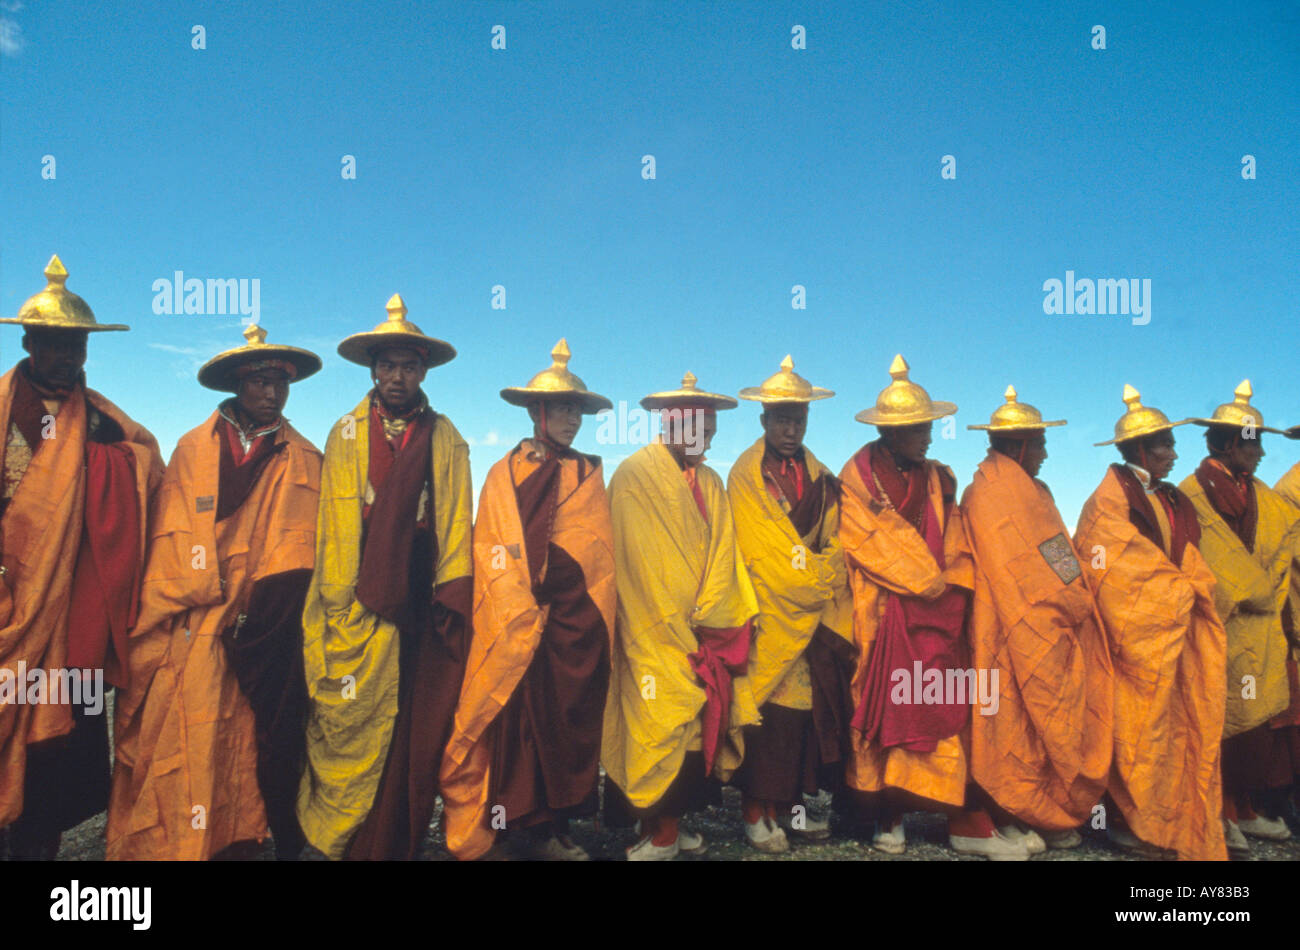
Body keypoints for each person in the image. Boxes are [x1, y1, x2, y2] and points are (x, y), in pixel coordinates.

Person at [106, 324, 323, 860]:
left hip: (258, 628)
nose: (271, 395)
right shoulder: (190, 449)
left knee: (244, 742)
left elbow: (300, 552)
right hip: (188, 618)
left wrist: (252, 612)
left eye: (281, 384)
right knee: (176, 735)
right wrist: (196, 589)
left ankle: (237, 838)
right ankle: (172, 843)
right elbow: (166, 534)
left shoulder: (306, 460)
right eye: (260, 384)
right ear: (237, 385)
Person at [297, 294, 472, 860]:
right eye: (388, 365)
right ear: (374, 369)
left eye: (409, 366)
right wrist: (340, 602)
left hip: (418, 597)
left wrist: (451, 601)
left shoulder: (445, 438)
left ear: (423, 371)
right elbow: (332, 530)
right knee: (347, 719)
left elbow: (454, 527)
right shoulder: (344, 433)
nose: (398, 377)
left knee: (407, 729)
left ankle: (391, 842)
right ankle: (335, 839)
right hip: (358, 598)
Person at [0, 256, 164, 859]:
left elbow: (151, 472)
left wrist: (113, 464)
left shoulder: (102, 421)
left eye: (77, 346)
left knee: (55, 747)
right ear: (28, 342)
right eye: (54, 344)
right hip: (5, 608)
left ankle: (38, 847)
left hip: (72, 619)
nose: (67, 357)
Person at [839, 355, 1025, 860]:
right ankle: (889, 816)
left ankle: (954, 813)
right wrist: (925, 582)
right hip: (884, 613)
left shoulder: (940, 479)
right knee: (887, 710)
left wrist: (952, 587)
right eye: (918, 428)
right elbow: (864, 540)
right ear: (892, 431)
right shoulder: (857, 477)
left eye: (928, 425)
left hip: (940, 616)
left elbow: (959, 540)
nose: (927, 435)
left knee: (943, 707)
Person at [440, 340, 615, 861]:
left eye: (577, 410)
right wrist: (520, 605)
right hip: (517, 619)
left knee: (566, 724)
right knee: (516, 727)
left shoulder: (588, 473)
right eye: (561, 409)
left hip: (573, 623)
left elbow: (597, 553)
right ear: (537, 412)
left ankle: (558, 826)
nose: (571, 420)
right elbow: (492, 546)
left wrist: (568, 604)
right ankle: (520, 829)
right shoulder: (505, 473)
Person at [601, 371, 759, 860]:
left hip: (700, 626)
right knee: (652, 721)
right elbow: (634, 559)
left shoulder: (710, 481)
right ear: (672, 426)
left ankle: (672, 825)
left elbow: (724, 553)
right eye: (699, 433)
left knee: (693, 725)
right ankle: (656, 826)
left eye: (711, 435)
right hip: (650, 627)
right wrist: (673, 622)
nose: (706, 444)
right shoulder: (633, 475)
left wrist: (710, 612)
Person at [1075, 384, 1227, 860]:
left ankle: (1171, 816)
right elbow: (1113, 569)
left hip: (1174, 628)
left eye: (1172, 444)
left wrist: (1189, 589)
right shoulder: (1106, 502)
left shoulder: (1170, 499)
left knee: (1176, 726)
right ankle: (1126, 820)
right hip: (1132, 633)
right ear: (1140, 448)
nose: (1173, 453)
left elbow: (1188, 559)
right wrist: (1178, 591)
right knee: (1135, 726)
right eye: (1164, 445)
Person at [961, 386, 1113, 853]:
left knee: (1048, 722)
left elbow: (1056, 549)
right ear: (1020, 445)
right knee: (1005, 724)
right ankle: (1005, 815)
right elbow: (1012, 570)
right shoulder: (986, 492)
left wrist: (1076, 594)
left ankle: (1045, 813)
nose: (1046, 453)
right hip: (1003, 627)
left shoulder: (1036, 490)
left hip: (1052, 622)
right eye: (1041, 444)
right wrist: (1061, 600)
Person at [727, 356, 855, 853]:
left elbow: (835, 541)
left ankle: (792, 812)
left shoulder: (819, 474)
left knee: (803, 718)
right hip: (766, 613)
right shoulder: (745, 474)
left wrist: (819, 576)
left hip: (809, 617)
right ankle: (755, 813)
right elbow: (756, 552)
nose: (790, 428)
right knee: (766, 717)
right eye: (781, 419)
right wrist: (805, 579)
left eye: (798, 420)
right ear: (763, 421)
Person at [1181, 380, 1300, 855]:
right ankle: (1219, 809)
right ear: (1229, 444)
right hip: (1219, 622)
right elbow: (1203, 559)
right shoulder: (1191, 495)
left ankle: (1244, 804)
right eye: (1254, 443)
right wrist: (1252, 591)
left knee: (1256, 725)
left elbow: (1283, 556)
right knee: (1217, 718)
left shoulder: (1266, 500)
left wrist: (1269, 598)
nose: (1261, 453)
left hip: (1263, 628)